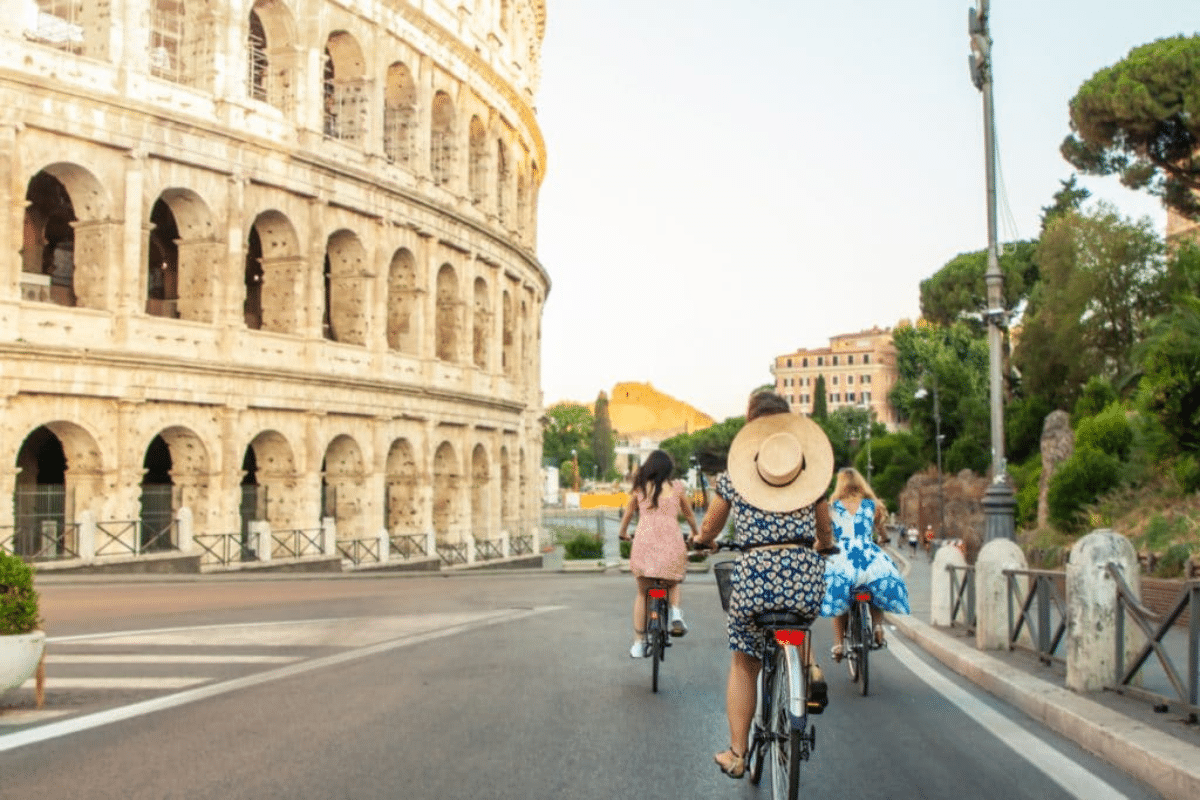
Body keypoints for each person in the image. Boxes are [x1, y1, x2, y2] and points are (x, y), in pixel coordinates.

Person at [689, 391, 835, 780]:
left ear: (750, 423)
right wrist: (823, 545)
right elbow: (825, 529)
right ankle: (809, 668)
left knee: (743, 660)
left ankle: (738, 753)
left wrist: (703, 541)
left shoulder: (735, 476)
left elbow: (710, 527)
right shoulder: (808, 472)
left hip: (755, 578)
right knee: (799, 622)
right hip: (804, 577)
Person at [618, 449, 700, 657]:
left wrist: (622, 534)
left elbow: (628, 515)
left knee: (642, 593)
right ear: (668, 469)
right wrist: (696, 534)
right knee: (672, 582)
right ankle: (676, 614)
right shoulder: (677, 488)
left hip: (644, 541)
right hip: (671, 541)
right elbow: (690, 515)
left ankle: (638, 643)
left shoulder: (639, 489)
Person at [821, 468, 911, 656]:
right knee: (876, 587)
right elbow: (882, 531)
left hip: (843, 554)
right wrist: (884, 538)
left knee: (839, 596)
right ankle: (878, 627)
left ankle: (838, 644)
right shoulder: (872, 505)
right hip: (868, 553)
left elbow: (827, 535)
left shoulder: (833, 507)